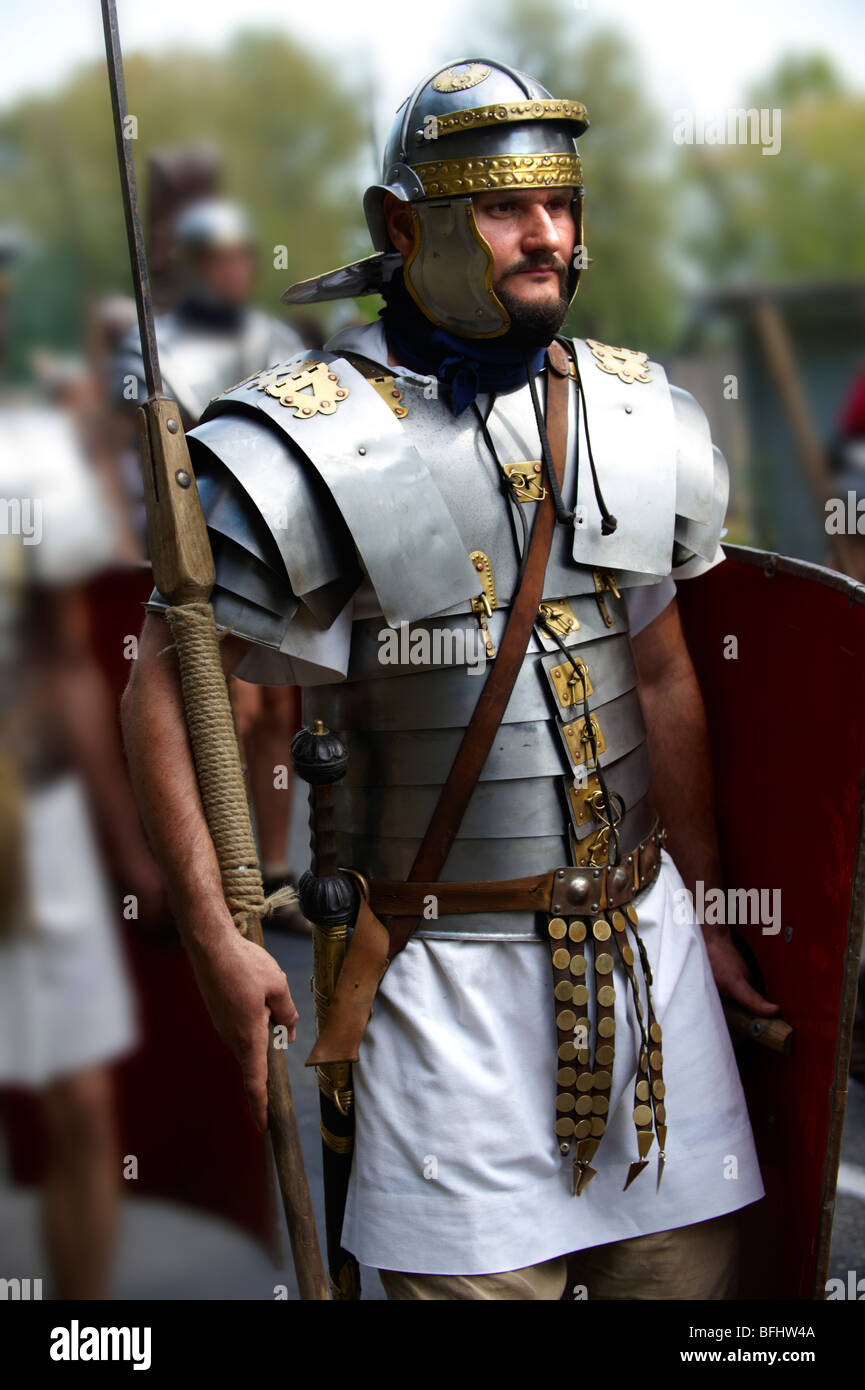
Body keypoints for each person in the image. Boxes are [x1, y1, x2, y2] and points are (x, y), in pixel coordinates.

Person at [121, 59, 779, 1300]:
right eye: (502, 207)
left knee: (688, 1293)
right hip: (435, 977)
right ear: (399, 226)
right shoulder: (301, 437)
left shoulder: (640, 417)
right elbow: (165, 687)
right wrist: (216, 936)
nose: (547, 235)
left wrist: (715, 912)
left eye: (562, 205)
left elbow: (664, 673)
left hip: (648, 967)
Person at [114, 197, 308, 929]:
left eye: (239, 257)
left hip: (273, 541)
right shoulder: (153, 349)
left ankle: (275, 870)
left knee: (274, 709)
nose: (231, 270)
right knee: (215, 704)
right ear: (195, 266)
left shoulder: (278, 339)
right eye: (216, 258)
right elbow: (139, 453)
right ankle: (216, 878)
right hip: (191, 545)